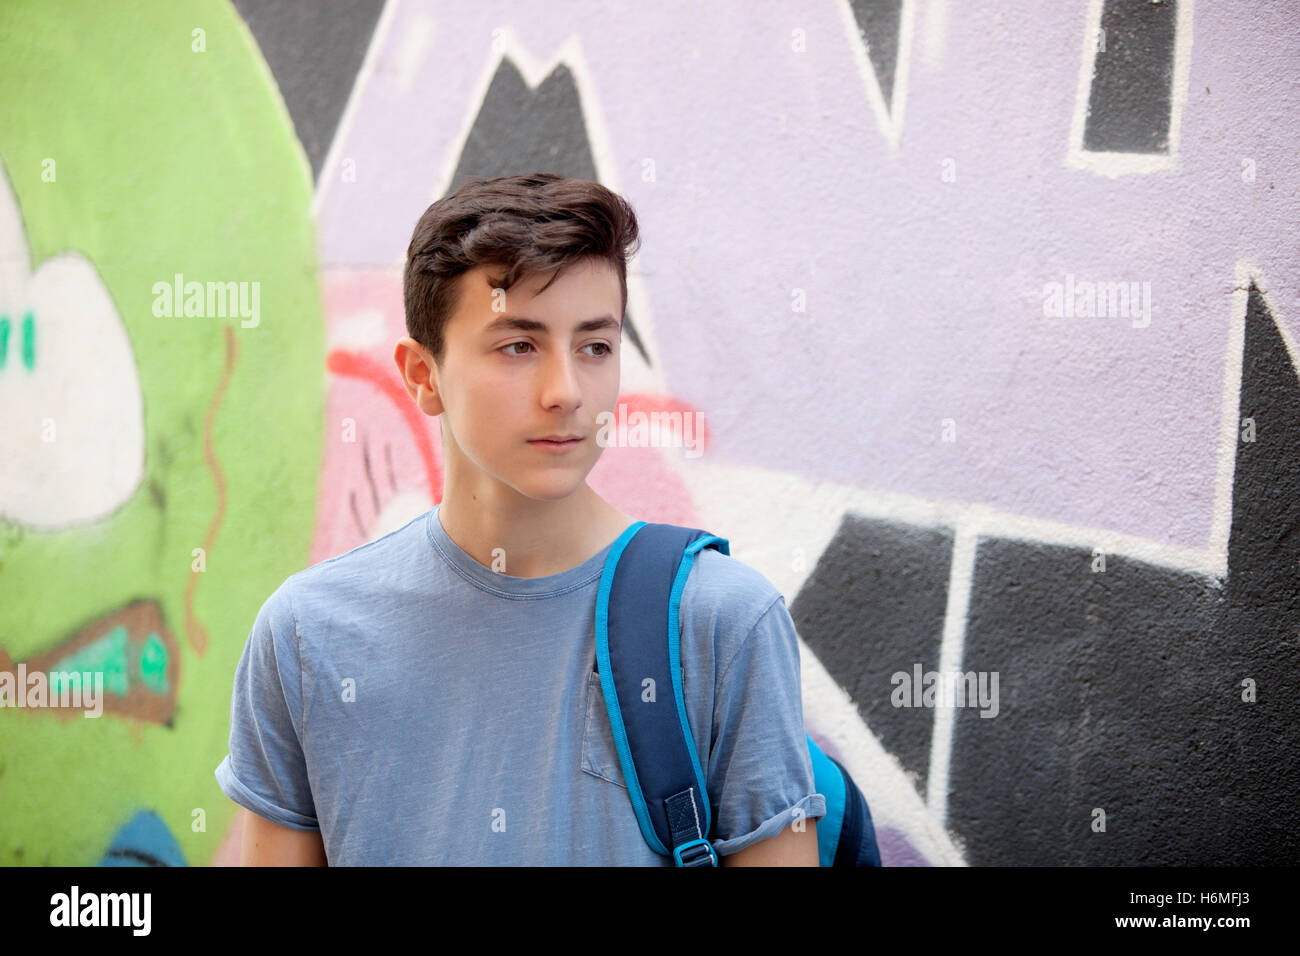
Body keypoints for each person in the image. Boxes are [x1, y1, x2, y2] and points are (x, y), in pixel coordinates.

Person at [213, 173, 825, 865]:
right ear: (422, 375)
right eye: (519, 345)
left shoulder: (723, 621)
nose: (565, 391)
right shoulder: (306, 634)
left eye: (595, 346)